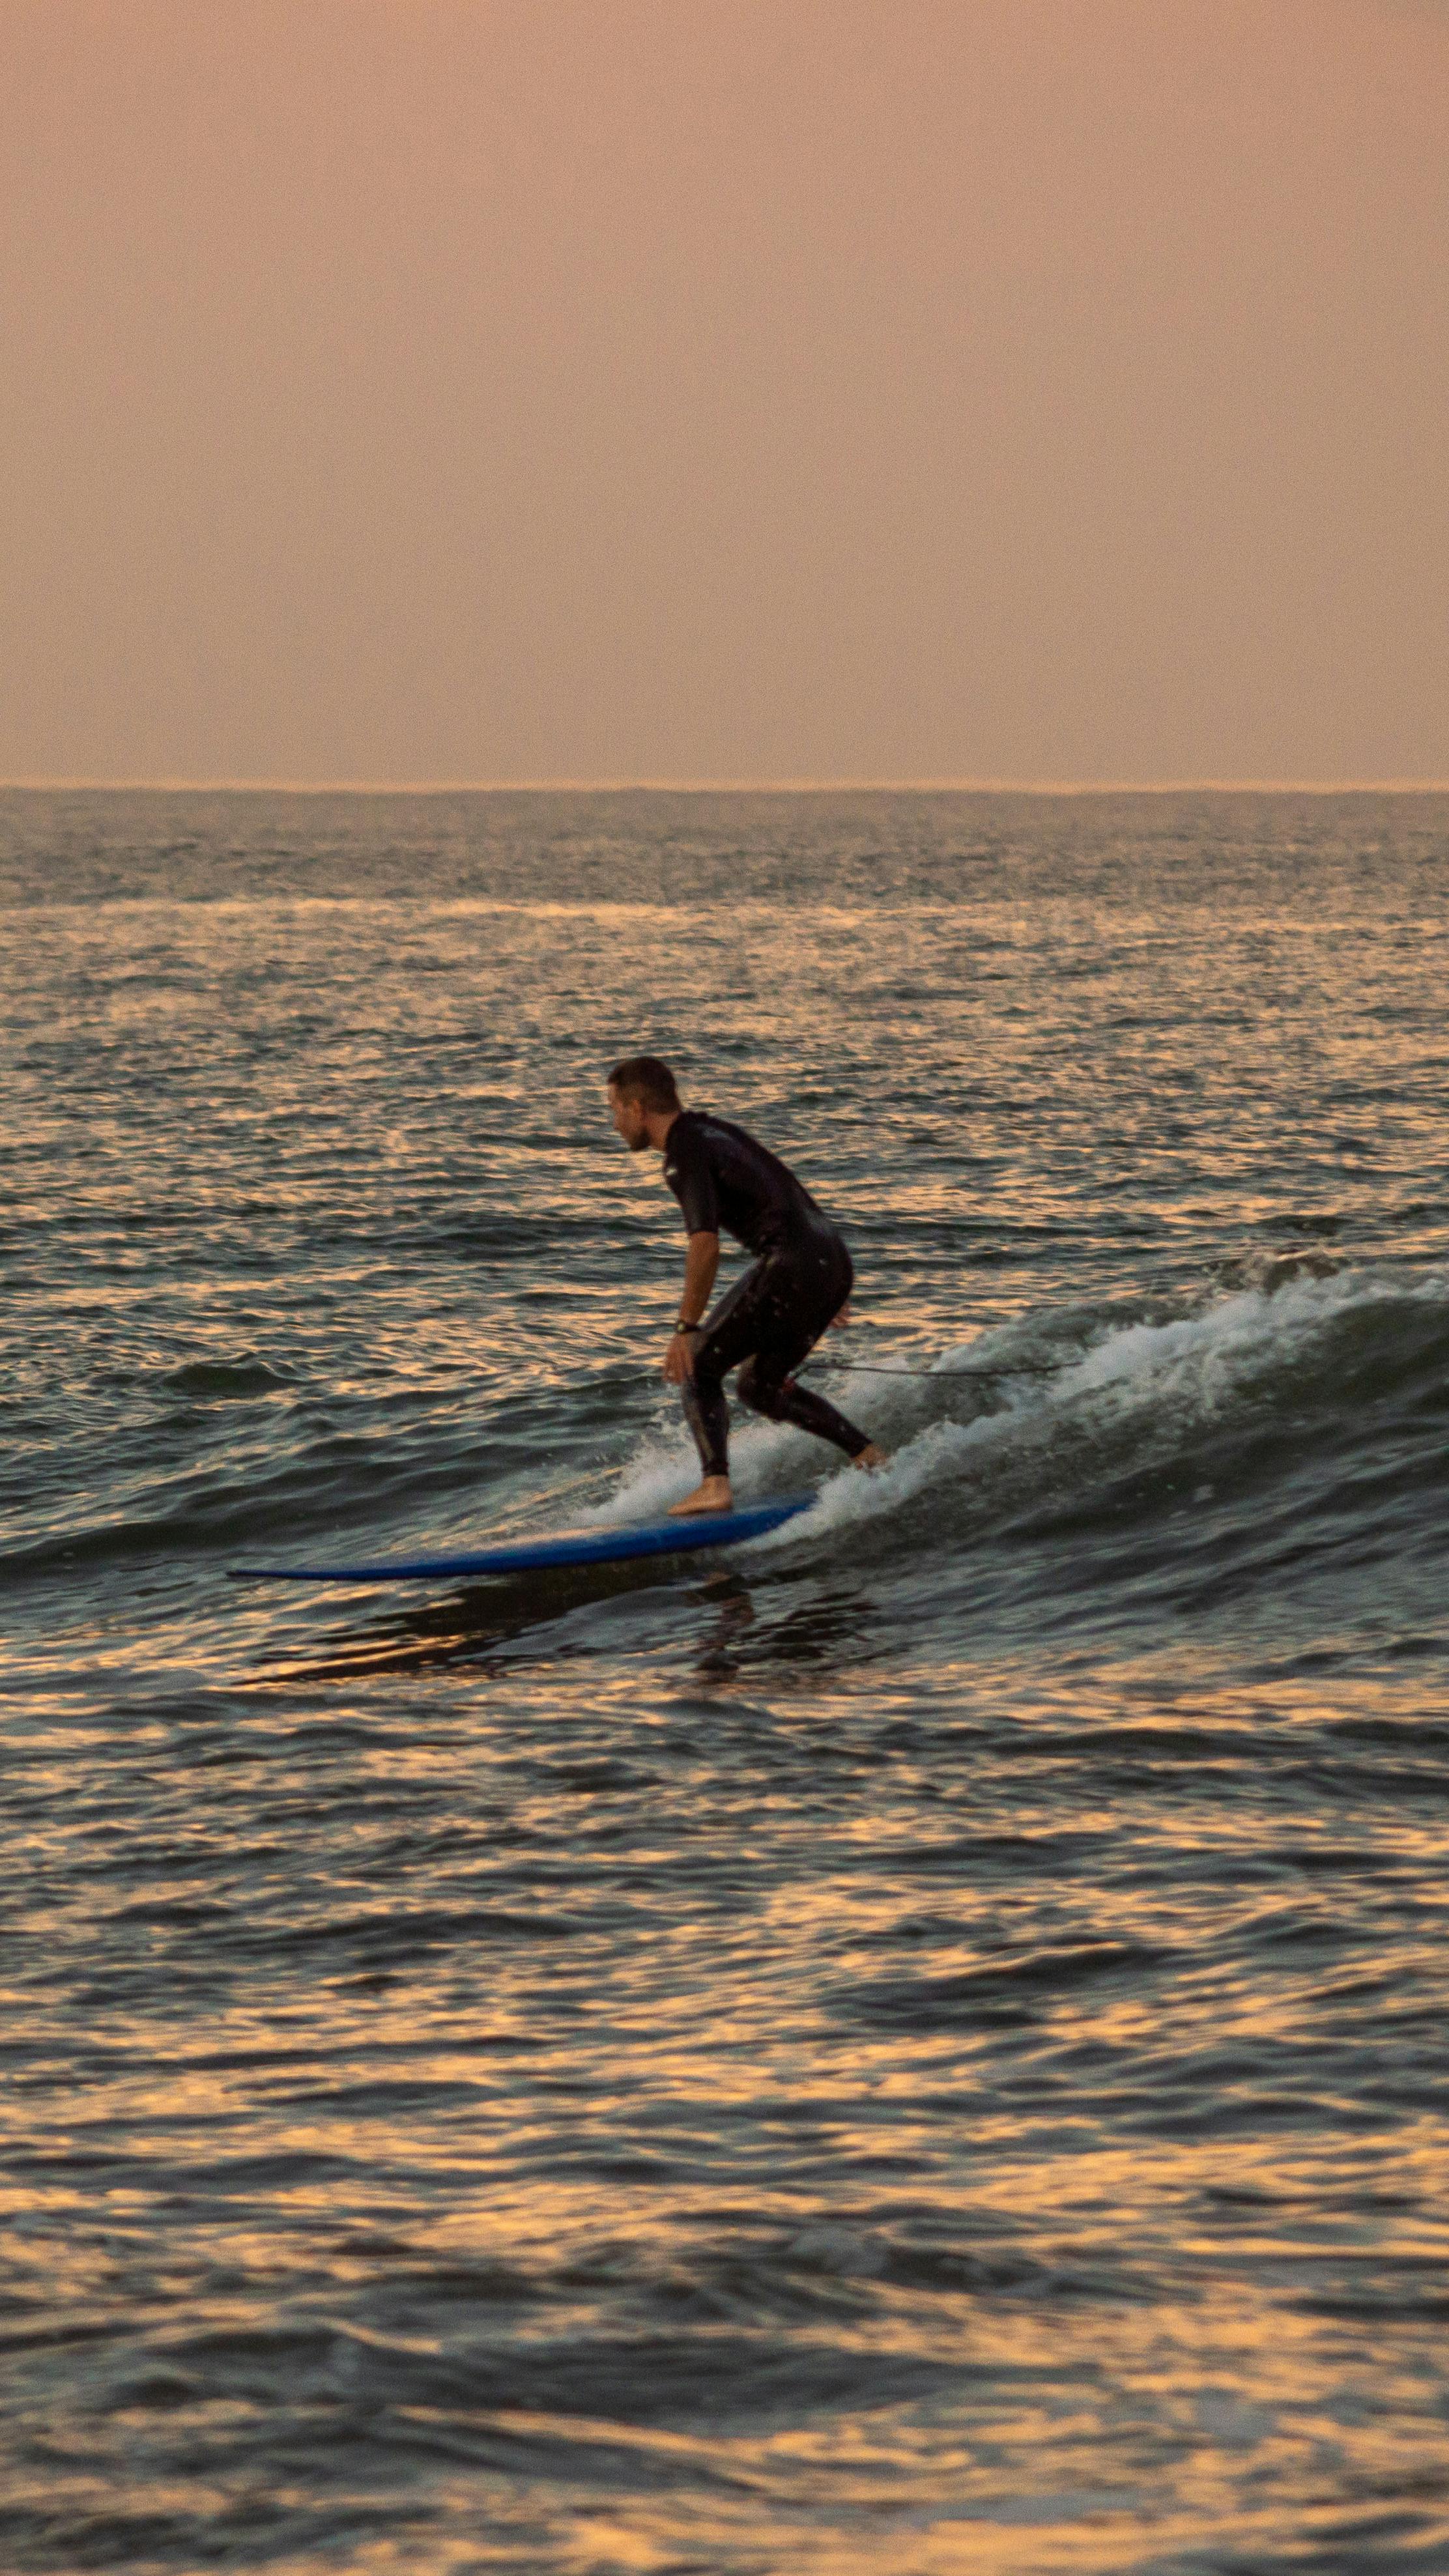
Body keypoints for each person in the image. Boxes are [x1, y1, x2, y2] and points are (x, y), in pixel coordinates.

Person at [607, 1055, 886, 1515]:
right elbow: (790, 1191)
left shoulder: (683, 1155)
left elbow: (704, 1244)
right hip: (829, 1260)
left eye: (615, 1110)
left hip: (796, 1265)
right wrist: (825, 1280)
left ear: (638, 1109)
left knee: (698, 1365)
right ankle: (869, 1455)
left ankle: (715, 1484)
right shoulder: (715, 1131)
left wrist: (686, 1328)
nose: (614, 1124)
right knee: (758, 1386)